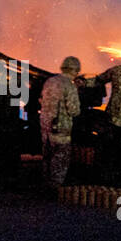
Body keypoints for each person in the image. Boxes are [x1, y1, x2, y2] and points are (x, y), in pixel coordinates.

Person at [39, 56, 82, 188]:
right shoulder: (70, 86)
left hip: (46, 125)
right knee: (60, 158)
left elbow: (41, 100)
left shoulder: (50, 81)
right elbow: (74, 110)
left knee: (47, 155)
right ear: (75, 70)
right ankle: (55, 186)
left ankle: (45, 182)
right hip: (61, 127)